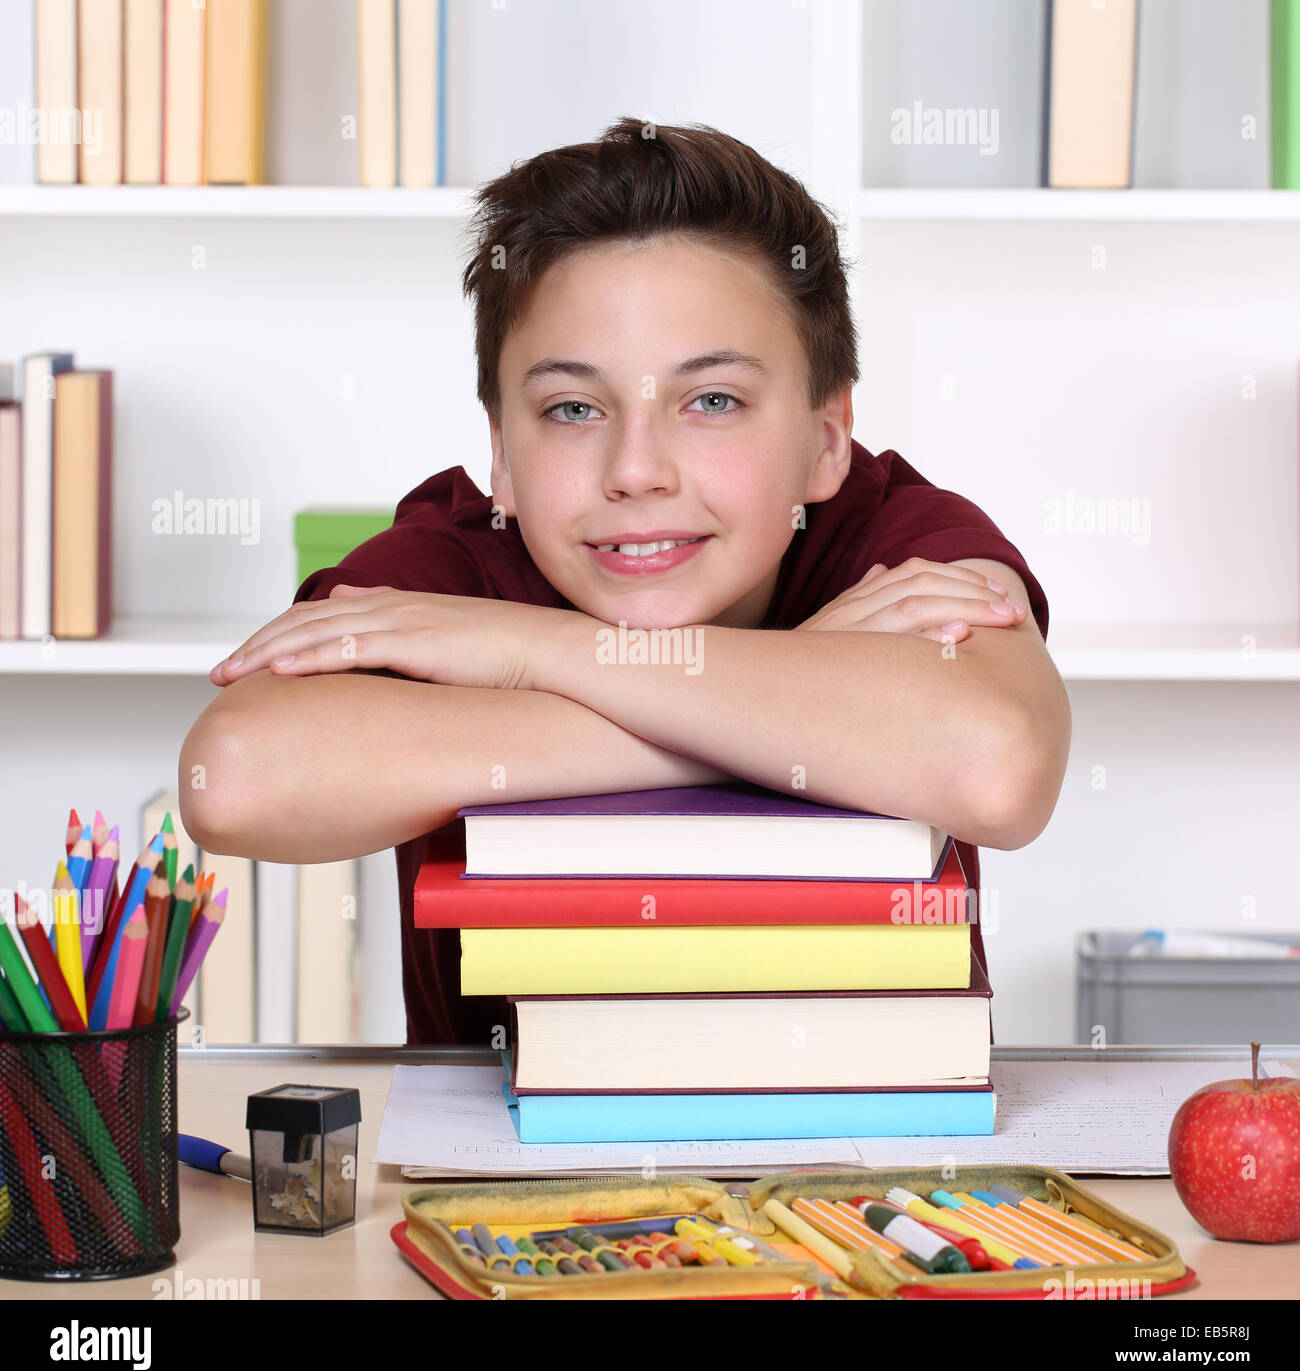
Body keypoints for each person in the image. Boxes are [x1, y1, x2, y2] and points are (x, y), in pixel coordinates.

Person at [180, 117, 1070, 1044]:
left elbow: (998, 768)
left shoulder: (895, 536)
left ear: (826, 438)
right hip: (514, 1161)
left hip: (864, 1164)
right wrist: (777, 687)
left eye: (712, 401)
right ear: (504, 459)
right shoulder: (454, 559)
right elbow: (235, 780)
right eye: (572, 409)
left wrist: (529, 653)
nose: (636, 471)